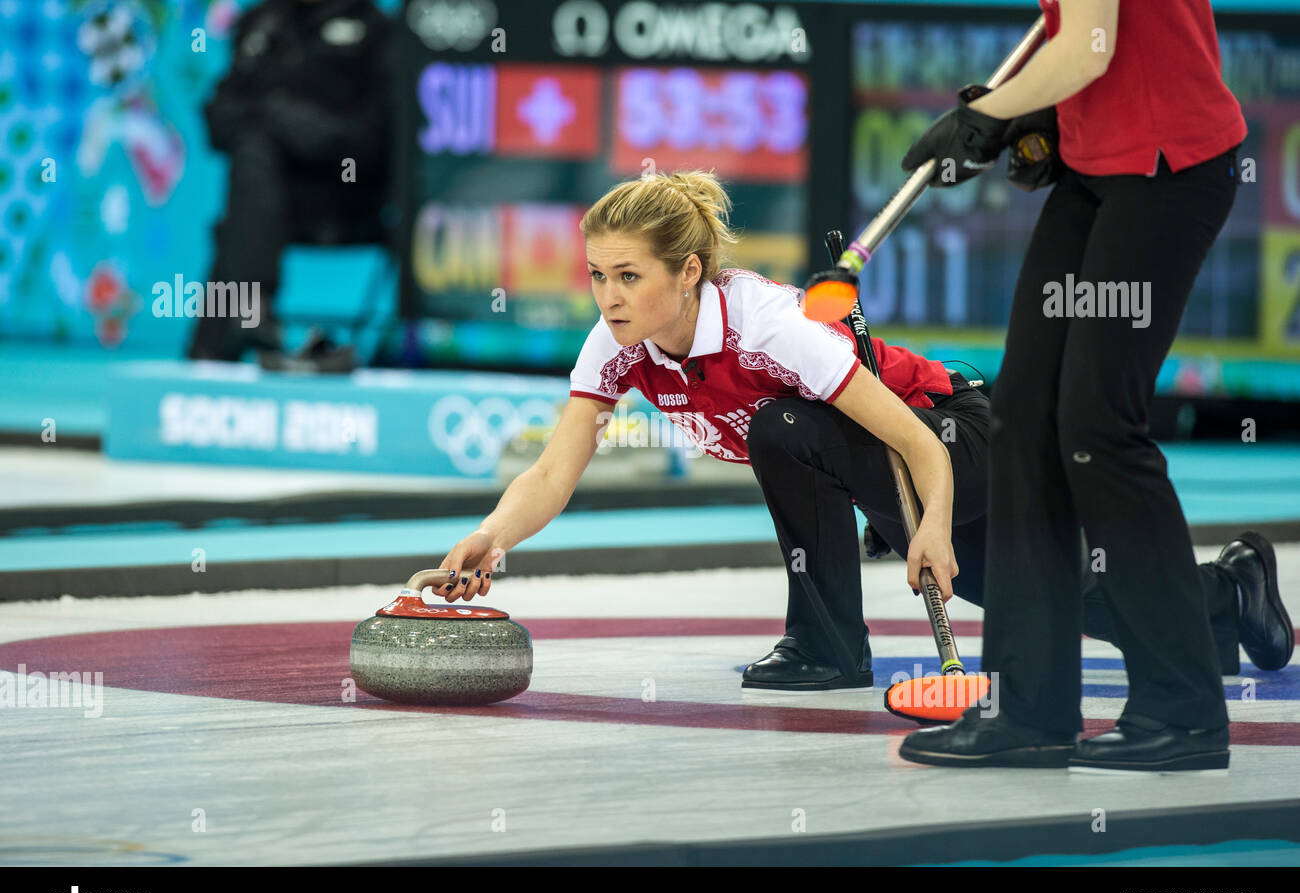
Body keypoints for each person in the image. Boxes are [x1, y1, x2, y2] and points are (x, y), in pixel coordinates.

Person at [419, 170, 1291, 697]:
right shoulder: (616, 347)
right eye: (597, 276)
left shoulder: (767, 324)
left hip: (958, 434)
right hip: (878, 469)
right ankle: (1225, 596)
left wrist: (931, 526)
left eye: (628, 276)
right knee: (1035, 595)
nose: (606, 297)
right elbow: (554, 472)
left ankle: (827, 647)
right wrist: (493, 537)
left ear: (688, 273)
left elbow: (912, 442)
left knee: (779, 422)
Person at [895, 0, 1291, 772]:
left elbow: (1090, 47)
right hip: (1098, 167)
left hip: (1167, 166)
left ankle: (1182, 711)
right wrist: (1040, 116)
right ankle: (1029, 710)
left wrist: (981, 117)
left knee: (1098, 428)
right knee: (1024, 420)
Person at [187, 0, 392, 370]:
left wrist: (286, 124)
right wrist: (268, 122)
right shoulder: (260, 25)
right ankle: (246, 320)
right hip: (266, 204)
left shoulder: (377, 32)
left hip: (345, 200)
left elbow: (375, 142)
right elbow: (218, 119)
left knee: (246, 206)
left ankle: (220, 346)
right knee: (253, 167)